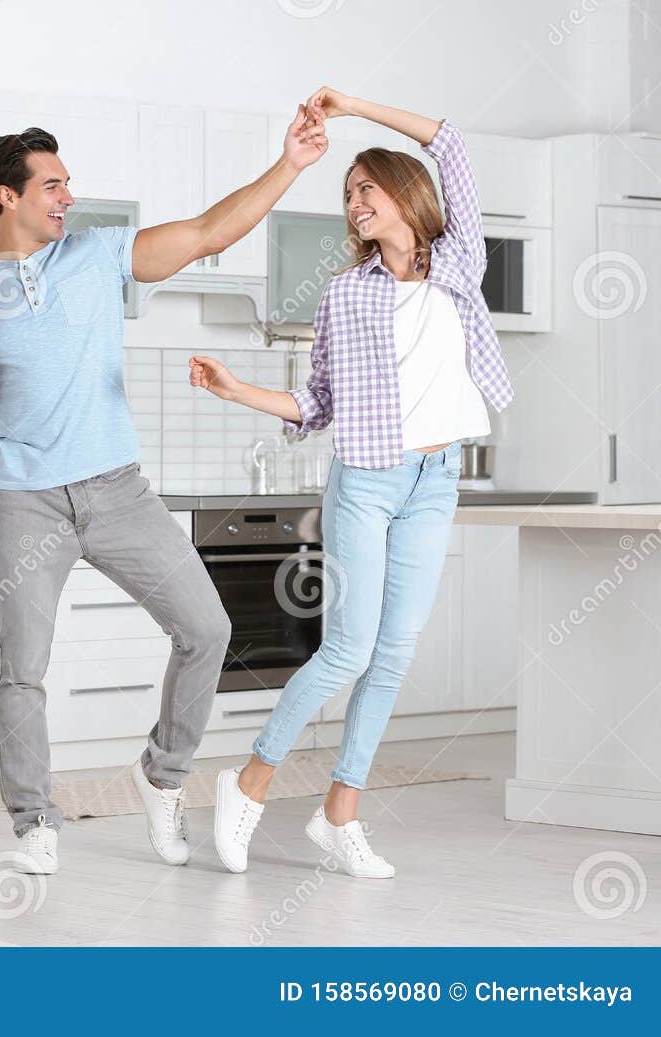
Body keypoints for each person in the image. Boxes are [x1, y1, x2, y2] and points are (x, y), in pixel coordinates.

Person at [0, 108, 328, 875]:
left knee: (207, 629)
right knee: (22, 668)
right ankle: (35, 819)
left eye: (68, 183)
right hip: (26, 499)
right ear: (7, 197)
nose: (66, 197)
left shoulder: (100, 254)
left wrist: (292, 166)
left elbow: (210, 230)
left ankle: (162, 774)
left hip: (118, 490)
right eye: (51, 185)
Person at [189, 88, 513, 879]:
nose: (353, 202)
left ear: (404, 196)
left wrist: (354, 107)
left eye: (365, 187)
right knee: (349, 648)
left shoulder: (460, 263)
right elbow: (318, 402)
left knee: (393, 655)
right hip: (367, 480)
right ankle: (250, 781)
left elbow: (453, 137)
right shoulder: (346, 292)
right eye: (347, 194)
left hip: (437, 479)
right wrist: (238, 391)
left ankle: (340, 814)